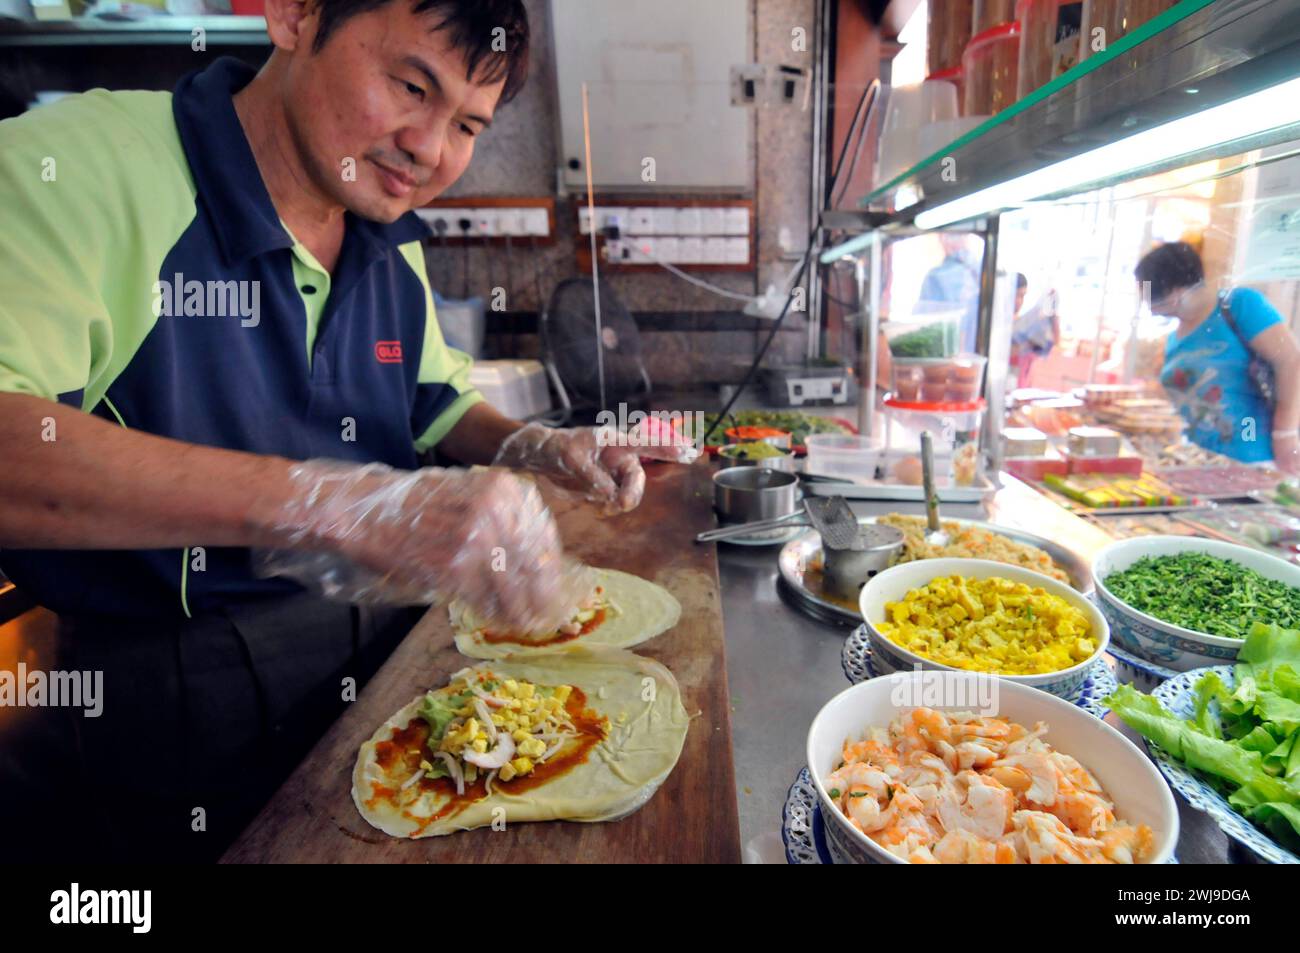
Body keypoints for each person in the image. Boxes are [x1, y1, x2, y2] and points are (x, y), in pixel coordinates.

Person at [0, 0, 691, 861]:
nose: (431, 150)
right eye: (410, 85)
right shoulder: (82, 167)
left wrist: (545, 448)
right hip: (181, 692)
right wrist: (335, 505)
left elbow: (431, 403)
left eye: (468, 124)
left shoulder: (385, 230)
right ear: (296, 15)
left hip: (394, 652)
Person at [1135, 242, 1300, 472]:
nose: (1149, 306)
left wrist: (1285, 434)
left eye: (1150, 295)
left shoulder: (1239, 305)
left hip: (1250, 449)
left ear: (1175, 291)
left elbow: (1291, 362)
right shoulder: (1175, 335)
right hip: (1198, 458)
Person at [916, 232, 982, 354]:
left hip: (944, 360)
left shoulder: (936, 276)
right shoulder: (983, 270)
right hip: (974, 361)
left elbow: (922, 328)